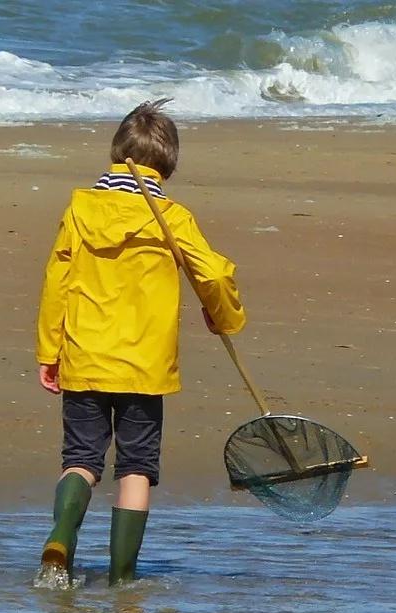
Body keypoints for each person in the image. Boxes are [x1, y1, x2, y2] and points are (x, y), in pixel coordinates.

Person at [35, 98, 246, 586]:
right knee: (135, 467)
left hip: (85, 355)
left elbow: (56, 281)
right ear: (167, 164)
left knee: (81, 460)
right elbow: (211, 273)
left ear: (117, 154)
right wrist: (224, 316)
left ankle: (61, 534)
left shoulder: (80, 208)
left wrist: (50, 350)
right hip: (145, 366)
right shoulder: (172, 216)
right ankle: (121, 576)